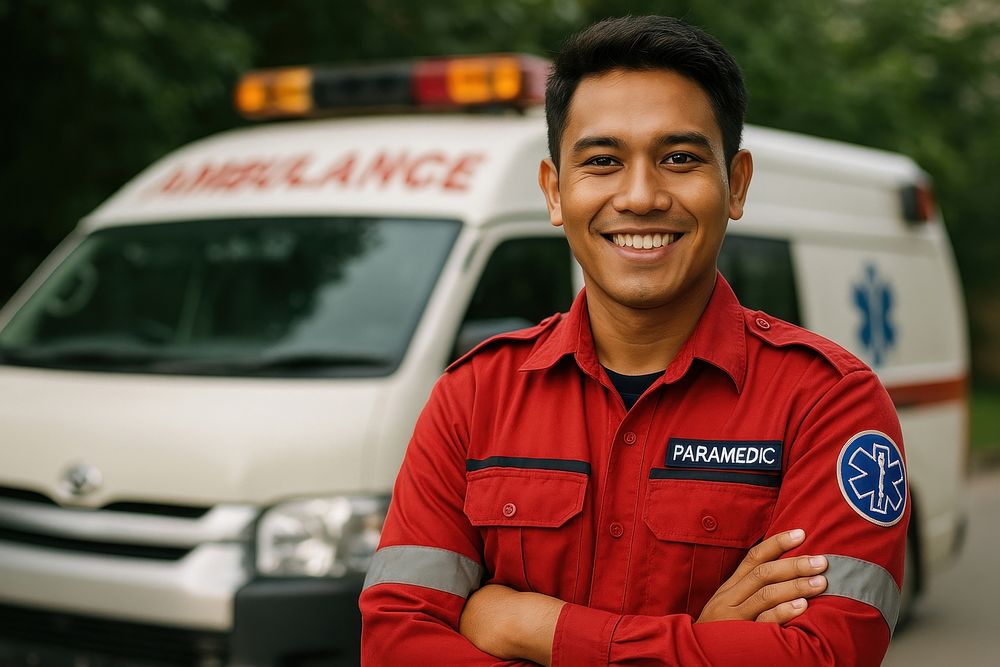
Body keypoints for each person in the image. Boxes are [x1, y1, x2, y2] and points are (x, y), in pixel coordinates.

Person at [359, 15, 907, 666]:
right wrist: (700, 638)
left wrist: (537, 625)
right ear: (555, 191)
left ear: (735, 184)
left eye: (679, 158)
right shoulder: (472, 398)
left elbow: (824, 653)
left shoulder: (829, 402)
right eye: (602, 162)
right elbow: (397, 644)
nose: (641, 195)